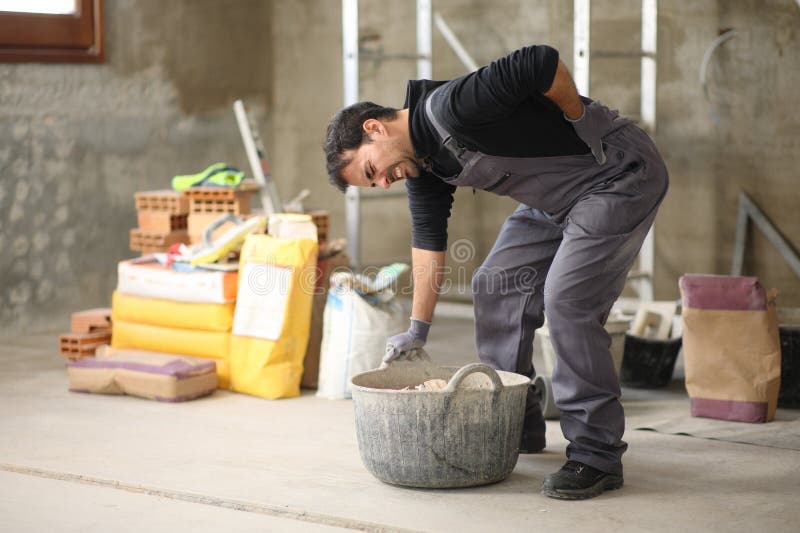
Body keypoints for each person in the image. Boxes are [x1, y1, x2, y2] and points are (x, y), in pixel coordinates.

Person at [323, 44, 668, 500]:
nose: (384, 182)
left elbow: (539, 61)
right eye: (373, 185)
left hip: (616, 175)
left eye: (373, 170)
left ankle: (596, 453)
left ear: (374, 128)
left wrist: (576, 114)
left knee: (566, 302)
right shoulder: (424, 166)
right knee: (495, 285)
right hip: (558, 198)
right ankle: (514, 421)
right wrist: (417, 331)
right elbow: (428, 245)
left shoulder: (451, 106)